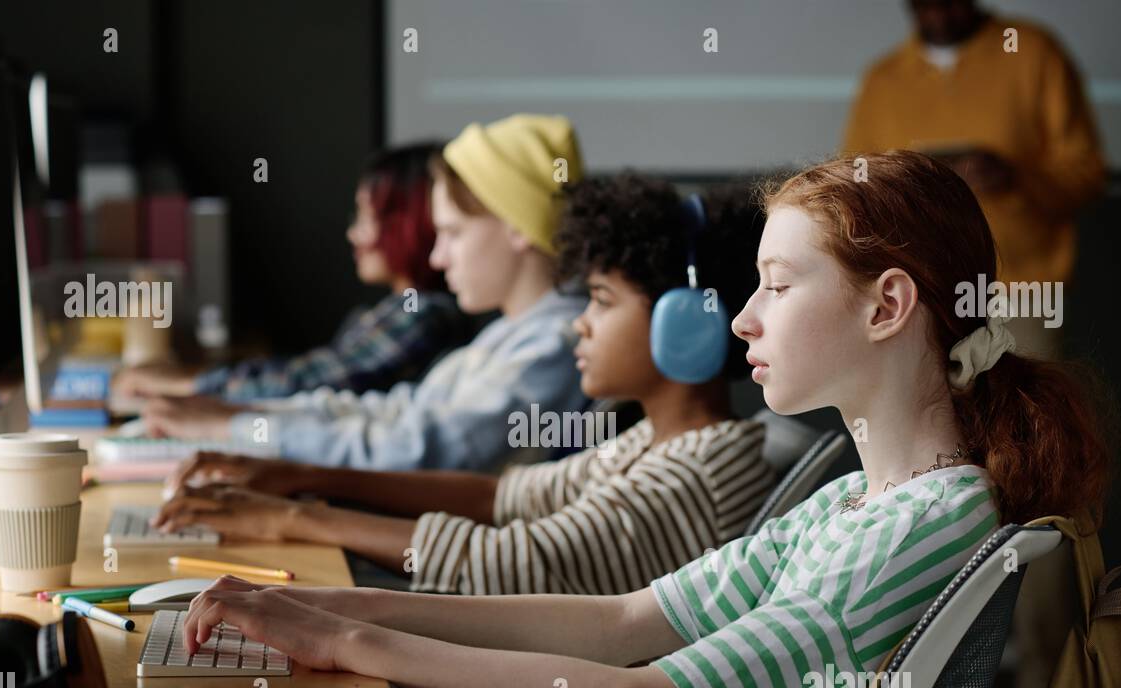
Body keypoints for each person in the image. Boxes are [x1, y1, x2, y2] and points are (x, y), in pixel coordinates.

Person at [176, 151, 1114, 688]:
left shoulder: (910, 528)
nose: (743, 317)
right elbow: (623, 621)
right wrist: (339, 611)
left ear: (887, 307)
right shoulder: (859, 501)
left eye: (777, 287)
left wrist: (349, 644)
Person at [153, 174, 776, 599]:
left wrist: (293, 518)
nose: (581, 323)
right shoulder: (662, 441)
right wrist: (305, 479)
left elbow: (507, 560)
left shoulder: (695, 474)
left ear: (687, 326)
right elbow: (502, 498)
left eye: (603, 301)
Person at [138, 114, 590, 473]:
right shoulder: (508, 335)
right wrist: (246, 413)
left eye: (452, 232)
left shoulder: (551, 346)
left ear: (518, 227)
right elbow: (396, 411)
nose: (437, 257)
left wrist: (238, 425)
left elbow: (419, 450)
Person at [843, 0, 1105, 360]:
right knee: (934, 415)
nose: (937, 11)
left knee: (1032, 412)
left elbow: (1086, 172)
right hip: (919, 290)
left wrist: (1015, 177)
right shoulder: (882, 80)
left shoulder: (1033, 52)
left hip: (1023, 291)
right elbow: (858, 187)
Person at [115, 143, 469, 401]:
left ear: (405, 226)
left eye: (364, 217)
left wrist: (185, 383)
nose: (353, 234)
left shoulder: (424, 315)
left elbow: (310, 381)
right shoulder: (399, 310)